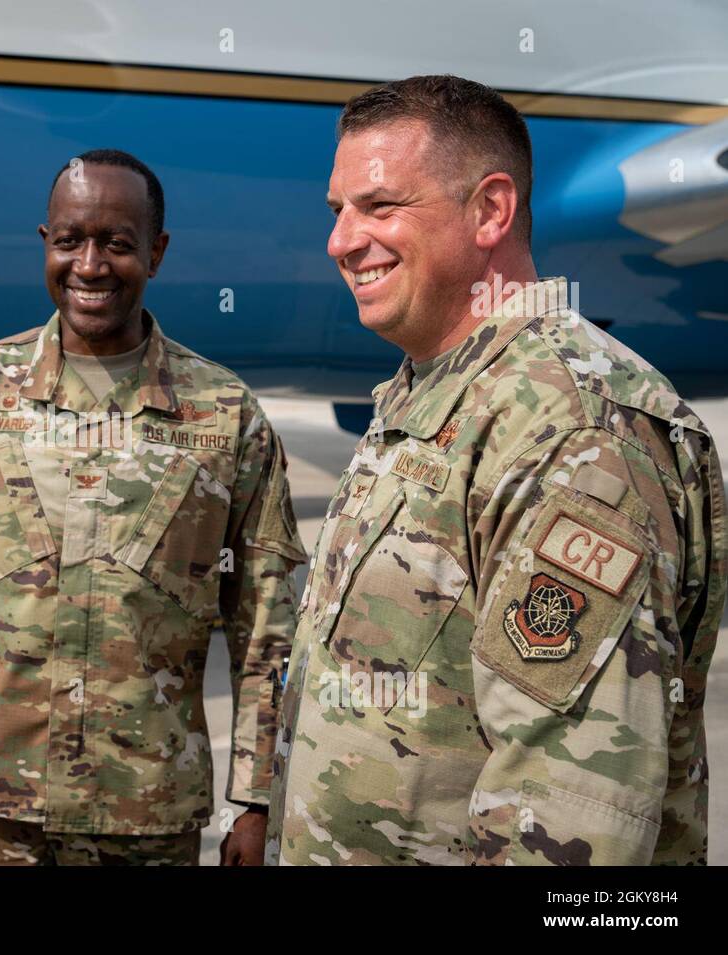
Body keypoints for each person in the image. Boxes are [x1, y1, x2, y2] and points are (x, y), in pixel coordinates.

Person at [268, 74, 725, 865]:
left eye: (380, 206)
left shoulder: (574, 429)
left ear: (490, 210)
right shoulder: (437, 391)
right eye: (338, 211)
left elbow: (576, 809)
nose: (342, 240)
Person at [0, 149, 305, 865]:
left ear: (156, 253)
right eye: (71, 240)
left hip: (148, 814)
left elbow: (267, 624)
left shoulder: (226, 415)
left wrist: (260, 800)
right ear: (45, 242)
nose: (91, 265)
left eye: (117, 243)